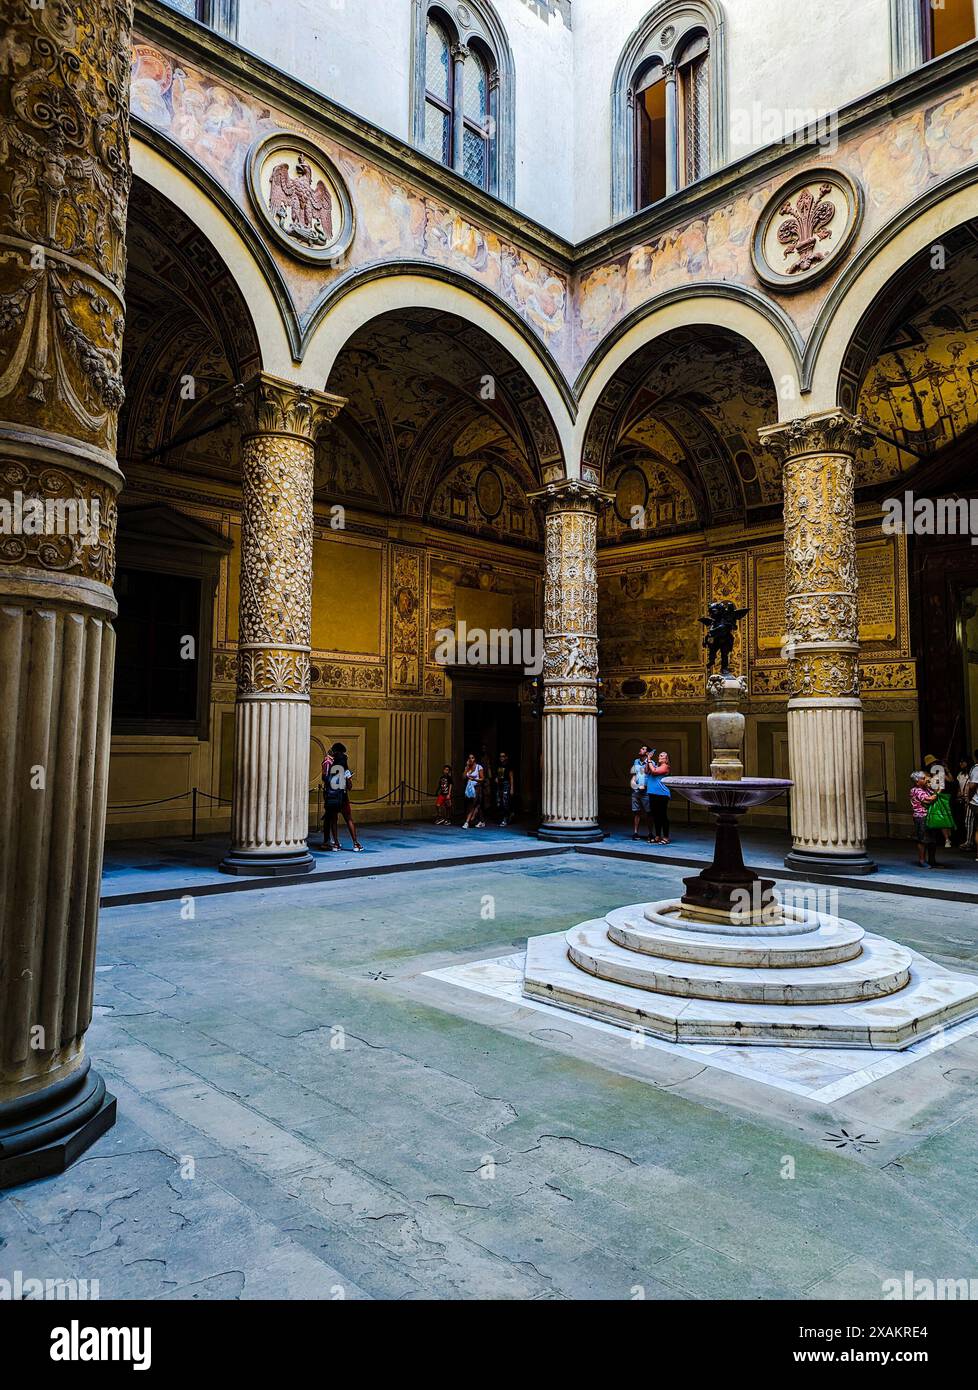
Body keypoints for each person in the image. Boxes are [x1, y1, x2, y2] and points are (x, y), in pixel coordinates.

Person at [322, 742, 363, 852]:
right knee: (348, 819)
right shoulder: (345, 770)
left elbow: (325, 779)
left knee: (333, 820)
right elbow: (349, 787)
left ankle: (336, 844)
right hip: (343, 797)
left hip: (332, 797)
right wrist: (348, 779)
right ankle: (355, 843)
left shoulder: (330, 765)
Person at [923, 754, 955, 850]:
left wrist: (947, 769)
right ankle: (933, 839)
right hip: (931, 797)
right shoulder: (928, 775)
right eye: (932, 764)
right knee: (932, 819)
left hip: (939, 798)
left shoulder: (940, 773)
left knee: (942, 818)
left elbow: (951, 780)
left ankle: (947, 839)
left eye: (934, 763)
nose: (934, 765)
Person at [910, 770, 938, 868]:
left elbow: (935, 791)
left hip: (929, 816)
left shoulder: (926, 789)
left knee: (932, 839)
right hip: (921, 817)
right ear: (917, 781)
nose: (926, 780)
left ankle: (932, 860)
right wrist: (936, 794)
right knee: (922, 840)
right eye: (923, 778)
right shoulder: (915, 790)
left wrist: (932, 785)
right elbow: (928, 800)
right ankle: (922, 860)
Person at [646, 749, 672, 845]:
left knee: (662, 816)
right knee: (655, 816)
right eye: (659, 755)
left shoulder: (666, 767)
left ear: (666, 759)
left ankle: (666, 837)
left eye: (662, 756)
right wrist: (648, 760)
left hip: (662, 794)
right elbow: (646, 770)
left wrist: (649, 760)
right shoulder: (655, 765)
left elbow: (654, 771)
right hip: (652, 793)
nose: (659, 757)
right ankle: (657, 836)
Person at [630, 744, 651, 840]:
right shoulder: (636, 761)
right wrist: (633, 783)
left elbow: (650, 776)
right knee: (636, 812)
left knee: (649, 813)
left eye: (643, 749)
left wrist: (645, 786)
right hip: (636, 790)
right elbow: (635, 774)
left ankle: (650, 833)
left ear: (647, 753)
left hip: (646, 791)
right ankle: (635, 833)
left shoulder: (651, 763)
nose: (640, 749)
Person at [461, 752, 485, 829]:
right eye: (469, 758)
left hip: (477, 787)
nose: (471, 759)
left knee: (472, 804)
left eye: (472, 758)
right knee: (476, 804)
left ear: (475, 759)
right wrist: (467, 767)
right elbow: (463, 777)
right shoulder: (467, 767)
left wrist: (474, 779)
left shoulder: (479, 767)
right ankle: (482, 821)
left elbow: (482, 778)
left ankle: (467, 822)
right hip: (469, 788)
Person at [494, 751, 515, 827]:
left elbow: (511, 777)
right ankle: (509, 814)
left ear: (506, 757)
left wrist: (512, 788)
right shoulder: (499, 765)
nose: (501, 758)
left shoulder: (508, 766)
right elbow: (498, 775)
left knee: (505, 802)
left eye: (503, 756)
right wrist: (496, 778)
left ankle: (505, 818)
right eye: (500, 756)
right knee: (498, 802)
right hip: (499, 785)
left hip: (506, 784)